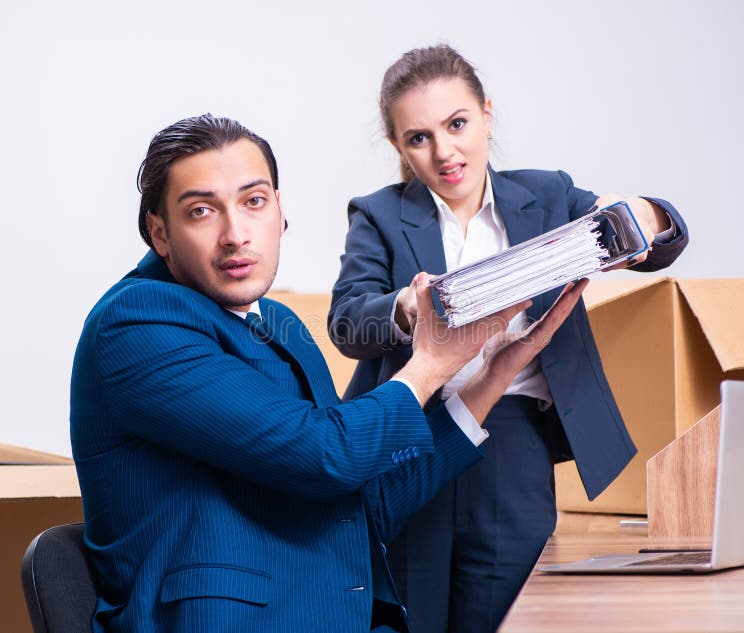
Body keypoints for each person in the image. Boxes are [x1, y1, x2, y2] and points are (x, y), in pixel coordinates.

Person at [69, 113, 587, 633]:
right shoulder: (136, 323)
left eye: (254, 201)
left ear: (280, 211)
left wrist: (491, 377)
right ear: (160, 233)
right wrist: (429, 366)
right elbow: (324, 454)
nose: (235, 234)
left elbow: (361, 503)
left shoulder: (277, 323)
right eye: (201, 211)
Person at [328, 45, 689, 633]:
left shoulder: (546, 197)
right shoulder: (379, 214)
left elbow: (664, 236)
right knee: (408, 616)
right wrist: (408, 307)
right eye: (418, 137)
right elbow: (347, 321)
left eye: (457, 124)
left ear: (487, 115)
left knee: (502, 617)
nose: (444, 152)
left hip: (514, 442)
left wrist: (643, 220)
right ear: (398, 147)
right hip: (411, 442)